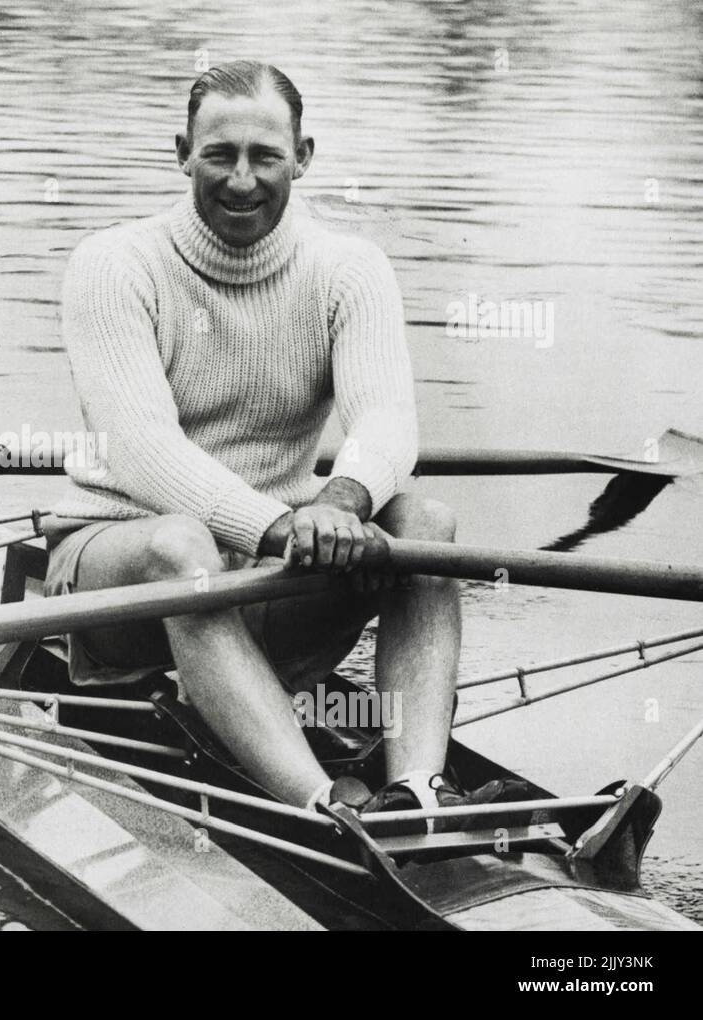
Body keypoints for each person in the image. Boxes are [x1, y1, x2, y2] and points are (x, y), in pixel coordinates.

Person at [49, 60, 519, 819]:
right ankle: (324, 805)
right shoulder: (114, 265)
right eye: (219, 155)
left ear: (303, 157)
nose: (242, 181)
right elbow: (141, 452)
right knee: (183, 547)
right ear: (181, 153)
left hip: (273, 574)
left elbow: (389, 422)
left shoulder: (349, 269)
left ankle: (419, 788)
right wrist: (279, 527)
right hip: (121, 566)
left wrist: (341, 499)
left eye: (265, 157)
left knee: (425, 526)